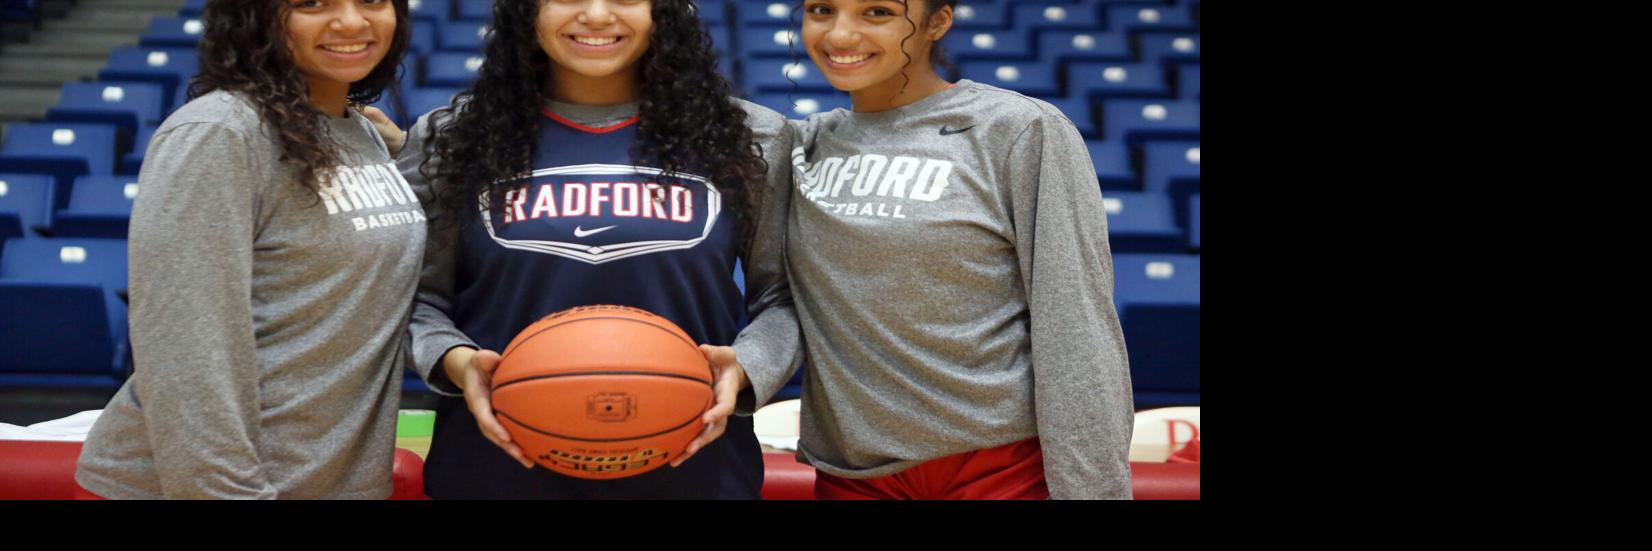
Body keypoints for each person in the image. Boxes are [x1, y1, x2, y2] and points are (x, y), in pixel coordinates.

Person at [720, 0, 1135, 499]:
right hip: (854, 474)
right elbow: (787, 303)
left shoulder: (1017, 129)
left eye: (877, 12)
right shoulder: (799, 148)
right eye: (822, 10)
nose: (840, 35)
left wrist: (1095, 491)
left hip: (1001, 467)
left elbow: (1076, 326)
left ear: (938, 21)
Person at [401, 0, 792, 499]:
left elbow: (783, 297)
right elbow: (413, 299)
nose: (597, 14)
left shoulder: (750, 136)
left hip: (694, 464)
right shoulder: (449, 139)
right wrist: (455, 360)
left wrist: (745, 366)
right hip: (495, 466)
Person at [74, 0, 424, 499]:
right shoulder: (219, 131)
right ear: (254, 16)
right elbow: (185, 348)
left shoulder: (361, 131)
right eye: (311, 3)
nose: (351, 21)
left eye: (371, 0)